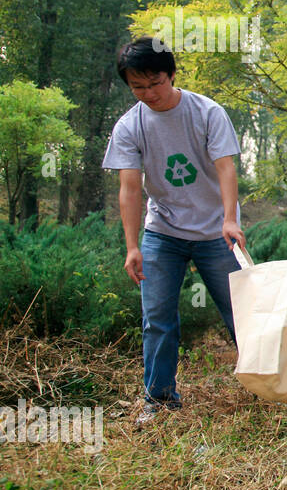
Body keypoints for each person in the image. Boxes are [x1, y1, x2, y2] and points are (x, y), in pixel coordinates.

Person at [102, 36, 247, 425]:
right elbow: (130, 189)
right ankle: (159, 399)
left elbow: (226, 167)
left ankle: (269, 386)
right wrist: (133, 246)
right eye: (138, 87)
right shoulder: (129, 126)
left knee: (243, 314)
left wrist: (229, 218)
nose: (148, 93)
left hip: (217, 231)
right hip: (163, 232)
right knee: (157, 317)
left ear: (170, 74)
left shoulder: (206, 112)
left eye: (155, 83)